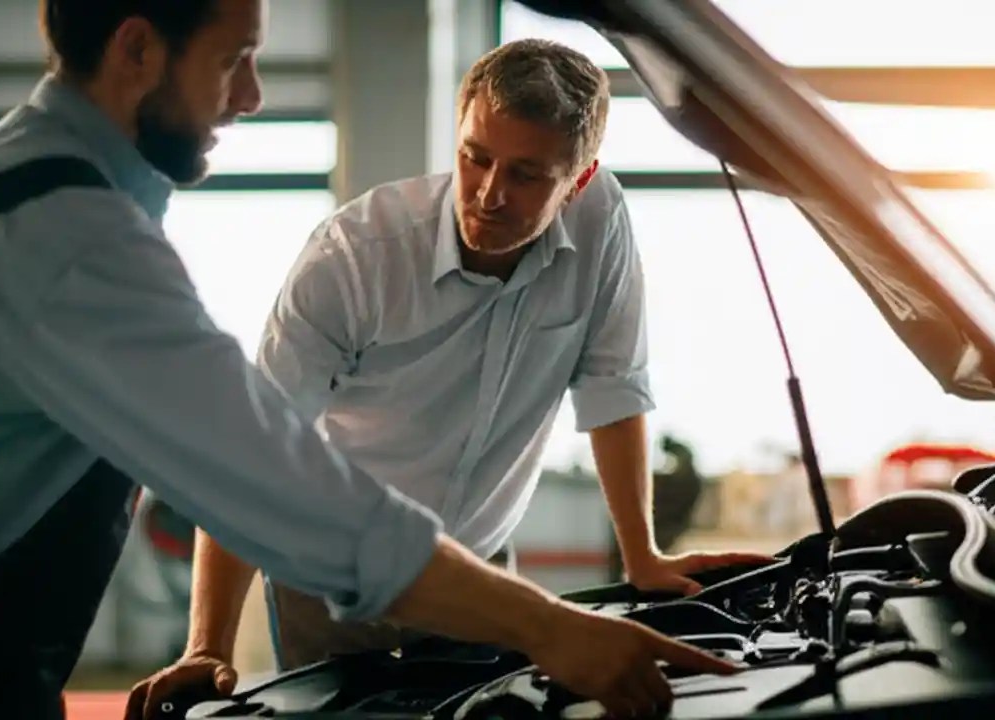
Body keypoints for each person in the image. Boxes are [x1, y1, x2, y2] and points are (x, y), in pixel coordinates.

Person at [0, 2, 738, 718]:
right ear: (138, 49)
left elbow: (610, 380)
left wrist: (626, 566)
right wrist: (555, 630)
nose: (251, 96)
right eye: (235, 59)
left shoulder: (24, 178)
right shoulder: (74, 241)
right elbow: (255, 465)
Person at [130, 37, 773, 707]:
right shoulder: (354, 257)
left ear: (579, 179)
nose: (491, 194)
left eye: (527, 174)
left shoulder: (602, 217)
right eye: (475, 158)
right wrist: (207, 646)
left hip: (479, 565)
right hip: (330, 572)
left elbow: (613, 386)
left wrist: (641, 556)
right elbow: (253, 455)